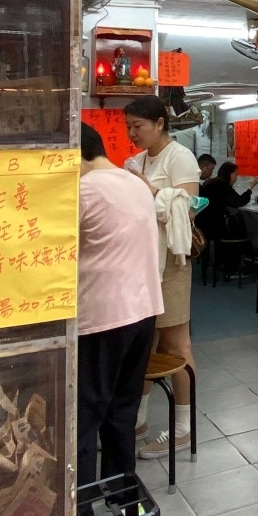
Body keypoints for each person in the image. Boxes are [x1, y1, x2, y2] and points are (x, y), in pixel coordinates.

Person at [75, 122, 163, 488]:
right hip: (143, 314)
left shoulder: (82, 190)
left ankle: (82, 511)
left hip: (101, 318)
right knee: (122, 409)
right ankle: (121, 492)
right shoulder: (135, 182)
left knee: (85, 415)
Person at [123, 94, 201, 459]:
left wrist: (148, 189)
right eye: (128, 127)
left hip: (171, 262)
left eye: (138, 126)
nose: (132, 134)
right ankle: (137, 420)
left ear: (159, 123)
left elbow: (188, 207)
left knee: (176, 343)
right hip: (141, 262)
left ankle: (184, 428)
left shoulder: (179, 157)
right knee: (144, 344)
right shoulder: (135, 160)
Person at [197, 160, 249, 241]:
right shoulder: (224, 186)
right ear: (230, 175)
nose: (236, 178)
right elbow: (238, 202)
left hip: (201, 221)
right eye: (236, 175)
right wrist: (250, 189)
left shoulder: (211, 182)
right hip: (212, 223)